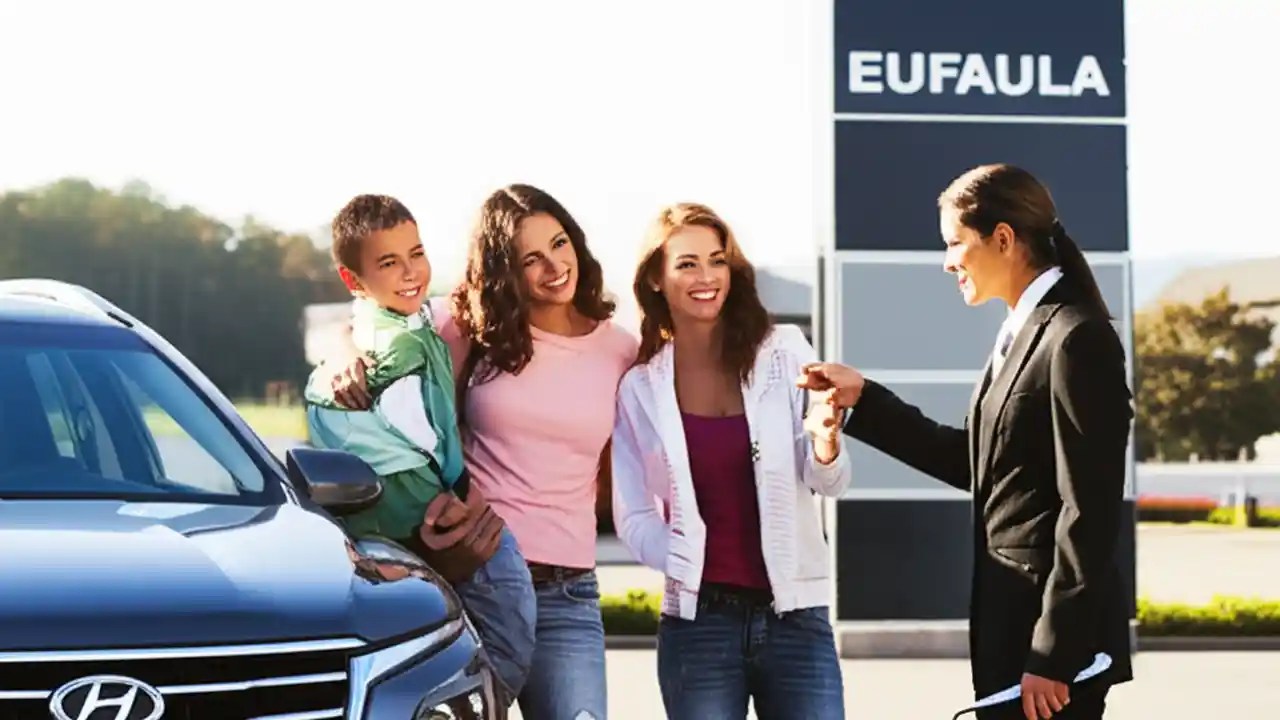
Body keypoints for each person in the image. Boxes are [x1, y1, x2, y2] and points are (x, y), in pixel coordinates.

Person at [798, 164, 1133, 720]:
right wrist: (867, 399)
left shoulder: (1074, 337)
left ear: (1003, 238)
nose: (947, 261)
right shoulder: (1023, 331)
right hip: (1011, 633)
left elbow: (1090, 513)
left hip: (1051, 655)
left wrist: (1053, 651)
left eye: (955, 243)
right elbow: (974, 463)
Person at [326, 184, 637, 720]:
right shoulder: (466, 325)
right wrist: (342, 353)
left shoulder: (619, 349)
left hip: (568, 592)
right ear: (505, 272)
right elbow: (367, 320)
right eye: (530, 259)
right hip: (472, 571)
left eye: (560, 244)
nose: (554, 267)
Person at [611, 202, 852, 720]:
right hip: (699, 627)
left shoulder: (783, 352)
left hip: (796, 619)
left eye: (717, 261)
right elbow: (632, 515)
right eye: (687, 263)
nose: (706, 277)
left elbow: (828, 481)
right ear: (655, 277)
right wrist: (681, 563)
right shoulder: (639, 388)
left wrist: (826, 443)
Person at [303, 194, 536, 706]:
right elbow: (417, 429)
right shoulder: (396, 344)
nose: (411, 271)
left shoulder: (420, 318)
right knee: (503, 624)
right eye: (390, 262)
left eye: (417, 253)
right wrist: (448, 482)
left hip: (439, 511)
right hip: (433, 509)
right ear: (354, 279)